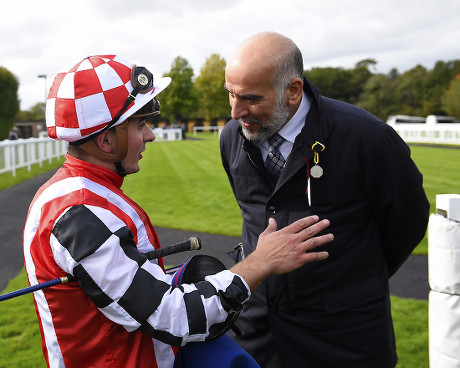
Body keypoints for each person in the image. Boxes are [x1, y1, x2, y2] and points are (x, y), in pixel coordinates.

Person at [23, 54, 333, 368]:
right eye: (140, 124)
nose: (150, 135)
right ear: (106, 140)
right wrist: (260, 263)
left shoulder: (82, 194)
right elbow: (173, 317)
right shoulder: (80, 212)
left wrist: (176, 277)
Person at [220, 32, 430, 368]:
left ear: (293, 91)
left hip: (343, 342)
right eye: (230, 94)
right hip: (258, 339)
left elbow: (409, 222)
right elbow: (252, 214)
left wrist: (351, 280)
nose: (235, 111)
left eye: (250, 98)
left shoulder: (368, 138)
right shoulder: (233, 136)